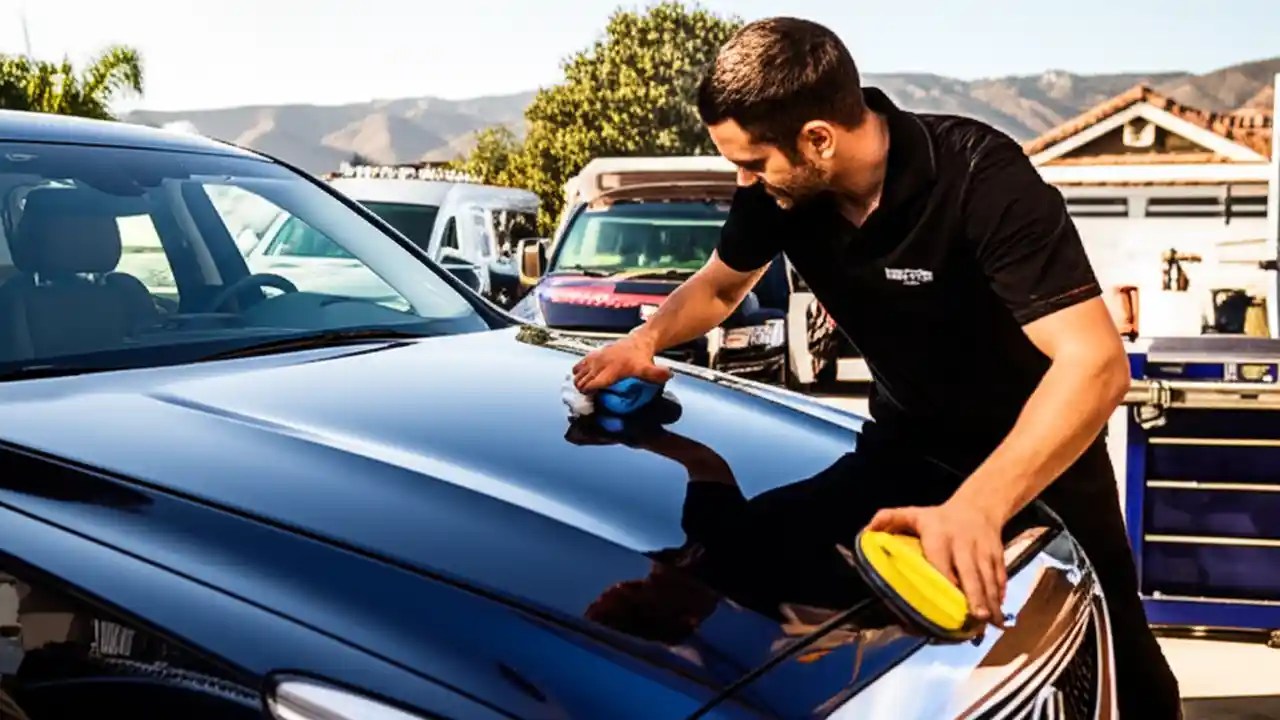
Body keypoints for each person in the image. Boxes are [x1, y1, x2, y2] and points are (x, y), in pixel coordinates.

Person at [570, 16, 1181, 717]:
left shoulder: (980, 175)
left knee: (1127, 669)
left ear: (819, 139)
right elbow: (719, 286)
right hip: (899, 453)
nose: (744, 180)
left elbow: (1096, 364)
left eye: (753, 162)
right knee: (729, 554)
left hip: (1041, 464)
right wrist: (641, 342)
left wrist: (978, 507)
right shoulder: (781, 192)